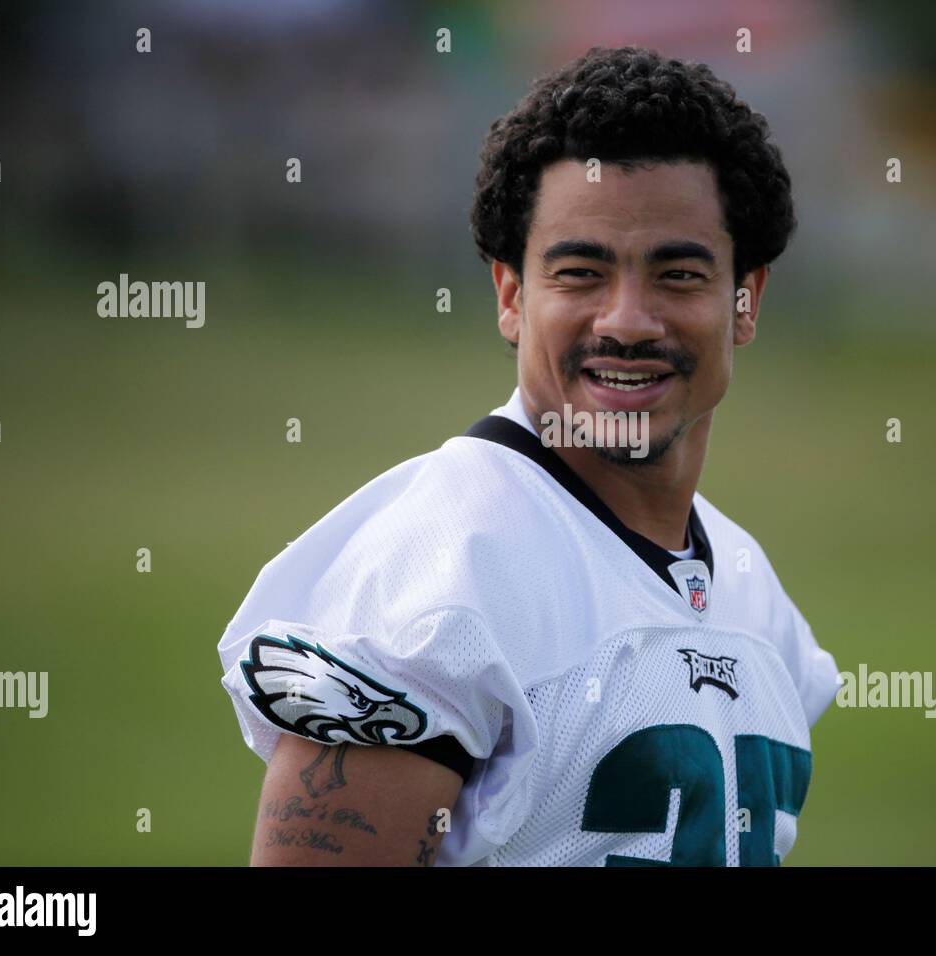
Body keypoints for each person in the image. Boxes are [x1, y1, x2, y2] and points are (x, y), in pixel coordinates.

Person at [217, 45, 839, 866]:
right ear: (513, 297)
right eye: (581, 272)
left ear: (744, 301)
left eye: (678, 275)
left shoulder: (751, 595)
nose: (627, 320)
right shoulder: (447, 576)